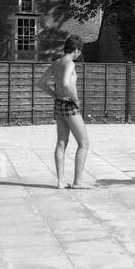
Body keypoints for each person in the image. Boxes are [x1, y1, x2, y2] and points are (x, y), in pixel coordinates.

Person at [36, 35, 89, 189]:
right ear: (77, 50)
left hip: (58, 105)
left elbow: (41, 83)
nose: (79, 54)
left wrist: (54, 94)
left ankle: (60, 181)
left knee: (61, 143)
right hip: (69, 105)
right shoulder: (69, 63)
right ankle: (77, 182)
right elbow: (66, 82)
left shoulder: (56, 63)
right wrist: (76, 99)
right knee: (84, 143)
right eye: (80, 51)